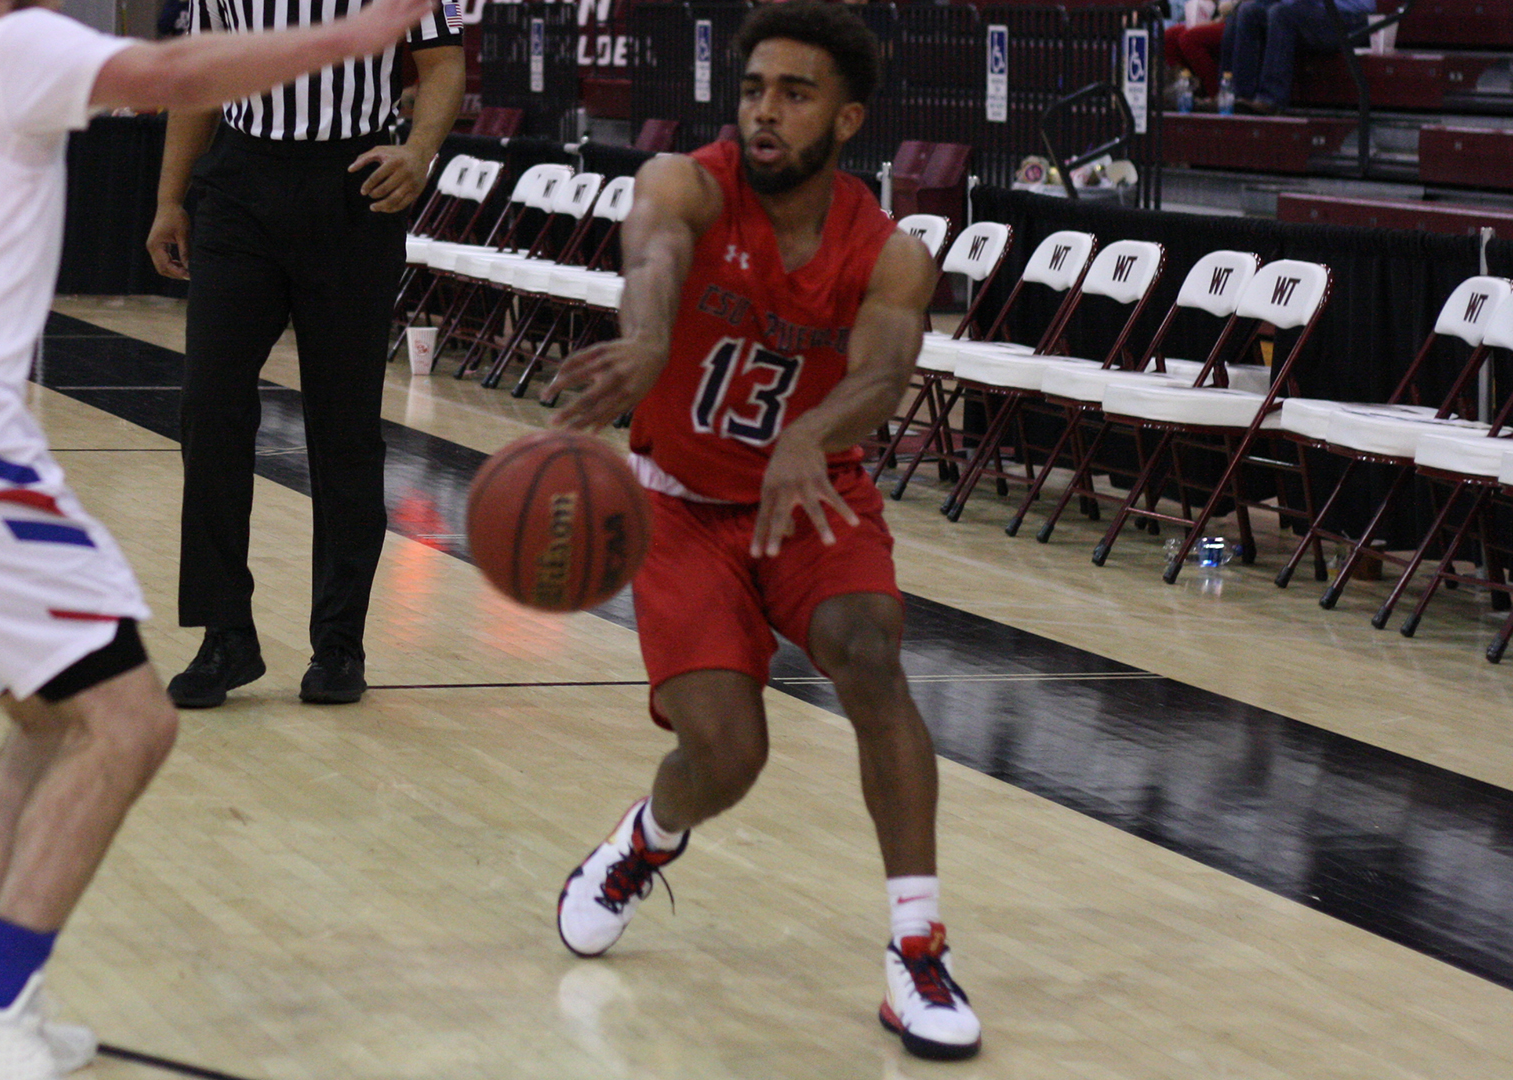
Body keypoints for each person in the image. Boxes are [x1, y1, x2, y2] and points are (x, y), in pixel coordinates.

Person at [0, 0, 434, 1075]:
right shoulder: (6, 43)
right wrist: (358, 34)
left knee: (51, 722)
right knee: (130, 725)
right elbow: (177, 73)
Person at [544, 1, 981, 1063]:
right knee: (728, 754)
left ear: (848, 119)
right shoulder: (687, 183)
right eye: (753, 90)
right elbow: (653, 256)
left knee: (869, 651)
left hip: (809, 492)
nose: (765, 112)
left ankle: (917, 948)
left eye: (795, 93)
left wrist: (813, 433)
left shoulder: (890, 252)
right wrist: (650, 339)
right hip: (681, 505)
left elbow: (883, 373)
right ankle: (645, 841)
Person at [146, 0, 465, 710]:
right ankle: (225, 635)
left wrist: (418, 151)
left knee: (345, 426)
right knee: (209, 406)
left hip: (352, 181)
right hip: (239, 181)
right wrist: (170, 198)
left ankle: (340, 643)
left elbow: (444, 63)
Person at [1223, 0, 1375, 113]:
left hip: (1349, 18)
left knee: (1281, 13)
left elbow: (1366, 6)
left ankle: (1270, 100)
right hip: (1310, 11)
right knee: (1248, 11)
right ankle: (1239, 97)